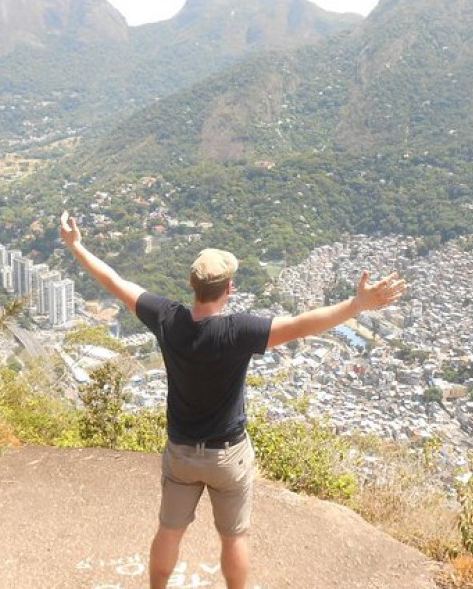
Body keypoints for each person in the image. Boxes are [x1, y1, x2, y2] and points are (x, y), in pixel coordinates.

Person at [59, 211, 406, 589]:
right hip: (228, 454)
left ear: (192, 284)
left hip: (181, 452)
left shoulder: (166, 319)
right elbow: (305, 323)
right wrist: (357, 305)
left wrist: (77, 246)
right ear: (229, 289)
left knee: (169, 531)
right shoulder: (239, 331)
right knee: (235, 536)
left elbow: (115, 281)